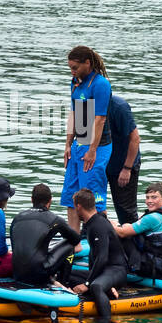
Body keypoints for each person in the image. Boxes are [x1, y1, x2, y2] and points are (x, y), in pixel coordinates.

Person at [61, 45, 113, 229]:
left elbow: (99, 119)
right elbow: (74, 114)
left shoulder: (100, 84)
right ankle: (74, 239)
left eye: (75, 67)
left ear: (87, 63)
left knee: (91, 197)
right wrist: (68, 144)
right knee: (71, 196)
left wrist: (92, 150)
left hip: (98, 146)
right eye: (70, 68)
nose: (72, 71)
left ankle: (99, 237)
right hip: (79, 143)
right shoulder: (75, 82)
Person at [9, 183, 82, 287]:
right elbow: (75, 239)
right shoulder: (55, 219)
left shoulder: (17, 218)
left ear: (31, 200)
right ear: (50, 201)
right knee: (69, 245)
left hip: (17, 273)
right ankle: (64, 284)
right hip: (39, 274)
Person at [71, 189, 127, 322]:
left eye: (74, 207)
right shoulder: (90, 223)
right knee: (68, 274)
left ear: (79, 206)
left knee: (96, 286)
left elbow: (102, 258)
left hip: (116, 270)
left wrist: (87, 283)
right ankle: (108, 291)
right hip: (103, 271)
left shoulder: (98, 225)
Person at [114, 181, 162, 277]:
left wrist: (107, 222)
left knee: (123, 237)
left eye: (154, 197)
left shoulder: (153, 217)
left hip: (151, 267)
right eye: (147, 197)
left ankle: (118, 267)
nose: (149, 201)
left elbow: (122, 233)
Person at [104, 93, 142, 225]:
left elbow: (135, 139)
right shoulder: (83, 101)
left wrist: (127, 168)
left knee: (125, 211)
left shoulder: (119, 106)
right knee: (93, 203)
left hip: (122, 163)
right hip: (99, 164)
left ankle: (131, 235)